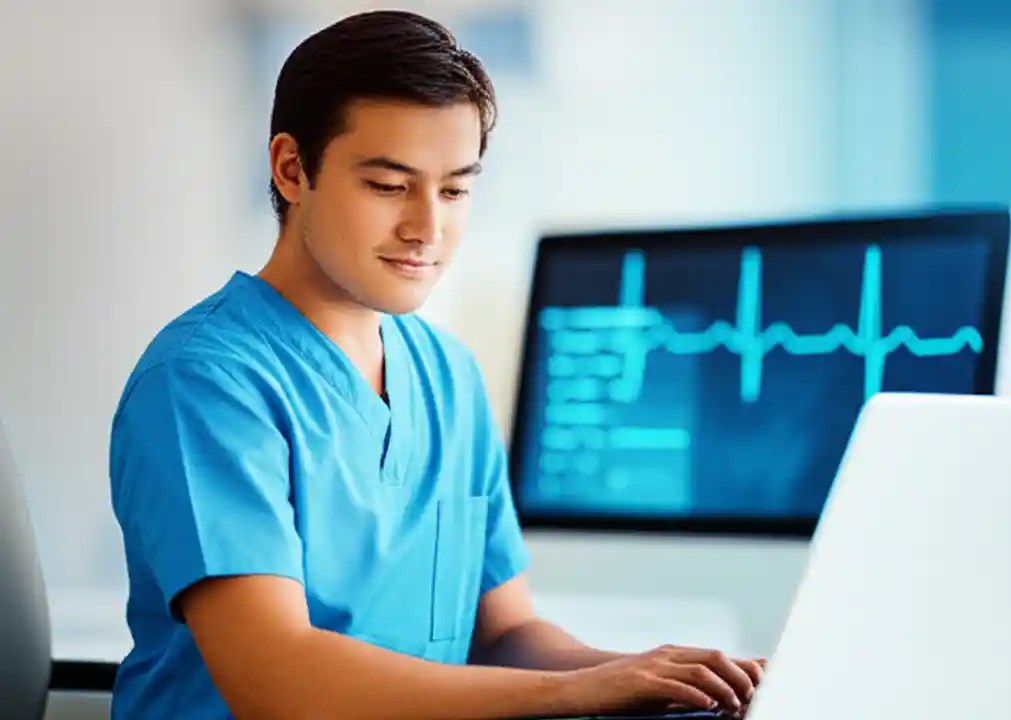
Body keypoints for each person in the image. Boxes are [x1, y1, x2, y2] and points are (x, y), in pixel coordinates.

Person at [107, 9, 765, 720]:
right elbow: (277, 679)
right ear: (292, 170)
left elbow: (505, 633)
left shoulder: (448, 375)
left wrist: (657, 675)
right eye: (390, 186)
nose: (428, 228)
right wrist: (579, 690)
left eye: (454, 190)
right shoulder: (207, 382)